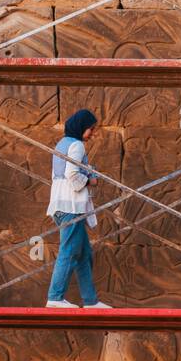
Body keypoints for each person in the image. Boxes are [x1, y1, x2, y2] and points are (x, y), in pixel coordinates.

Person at [46, 108, 110, 309]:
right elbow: (72, 177)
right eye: (91, 129)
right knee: (69, 250)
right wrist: (91, 181)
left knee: (83, 253)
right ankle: (55, 298)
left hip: (59, 204)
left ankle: (90, 301)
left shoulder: (61, 144)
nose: (92, 133)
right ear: (82, 127)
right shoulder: (77, 145)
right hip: (71, 205)